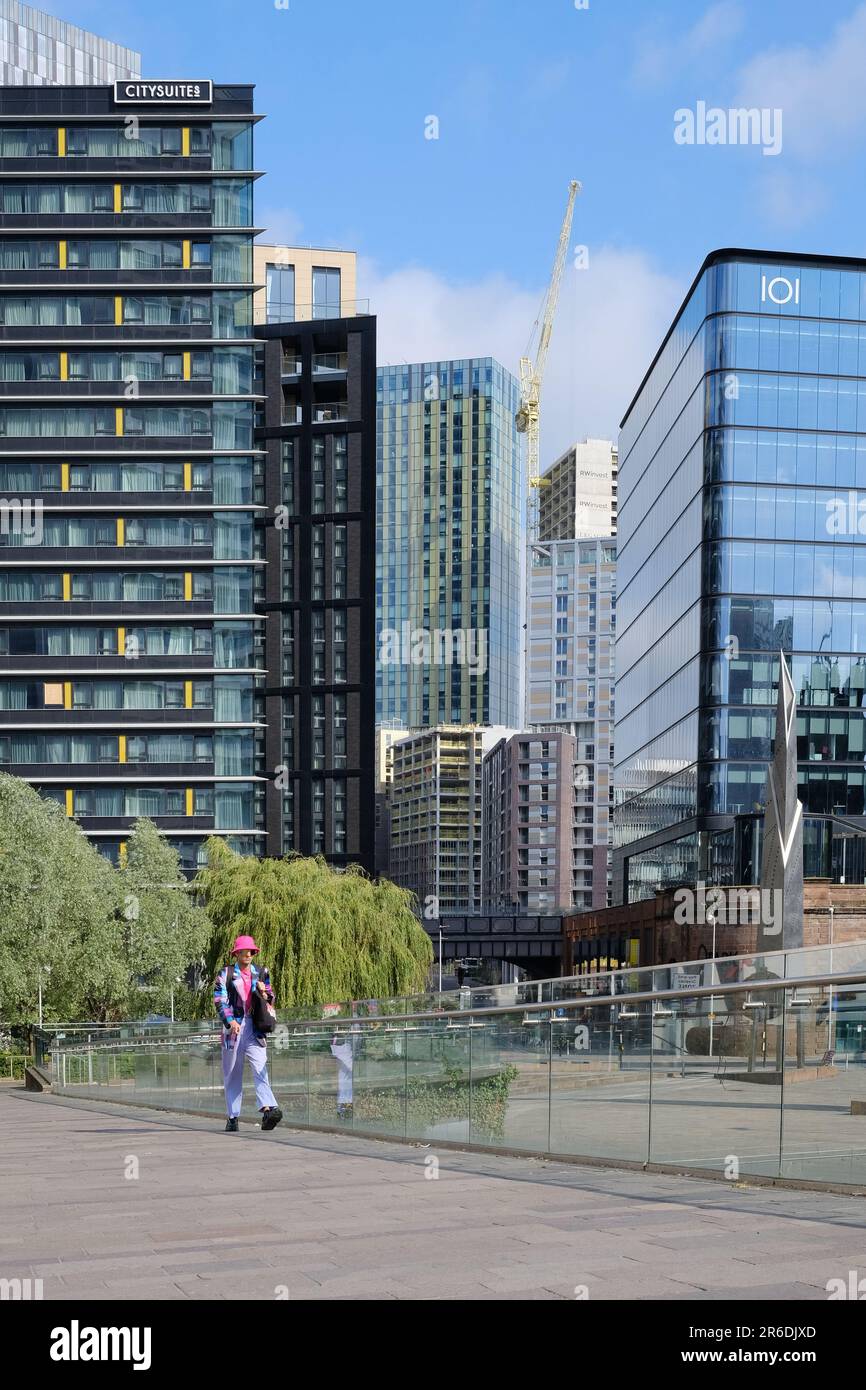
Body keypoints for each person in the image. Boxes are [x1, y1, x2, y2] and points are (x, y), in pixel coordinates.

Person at [213, 934, 283, 1134]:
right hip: (232, 1030)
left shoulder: (261, 972)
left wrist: (264, 992)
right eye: (244, 951)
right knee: (233, 1073)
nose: (248, 955)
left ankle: (269, 1110)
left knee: (260, 1066)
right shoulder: (225, 973)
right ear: (236, 954)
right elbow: (220, 999)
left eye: (251, 951)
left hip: (255, 1027)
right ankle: (233, 1116)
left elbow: (269, 998)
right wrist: (230, 1021)